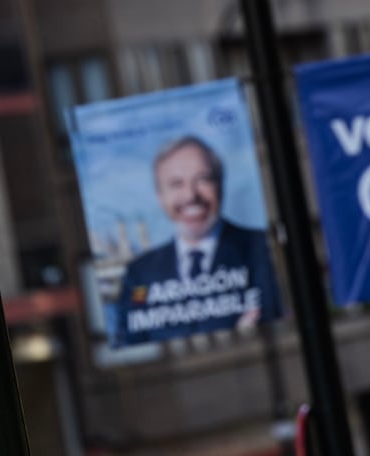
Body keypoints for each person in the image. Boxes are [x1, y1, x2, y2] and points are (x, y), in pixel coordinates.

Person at [112, 135, 280, 347]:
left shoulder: (260, 249)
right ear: (160, 196)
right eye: (176, 184)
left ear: (221, 184)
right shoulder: (140, 273)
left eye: (203, 179)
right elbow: (128, 345)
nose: (191, 195)